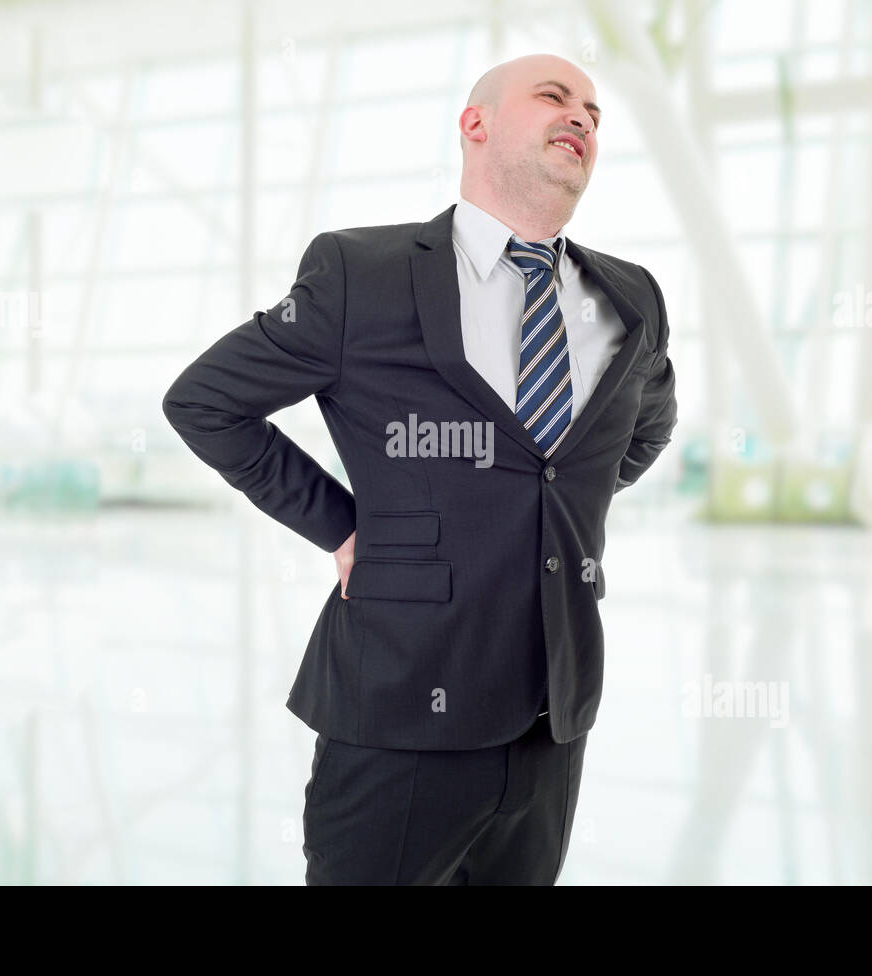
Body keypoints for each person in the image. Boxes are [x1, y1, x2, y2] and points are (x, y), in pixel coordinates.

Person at [162, 52, 677, 884]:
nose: (580, 115)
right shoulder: (360, 276)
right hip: (398, 715)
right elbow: (204, 403)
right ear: (476, 124)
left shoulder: (631, 297)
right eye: (554, 97)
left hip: (554, 721)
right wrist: (340, 524)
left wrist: (554, 515)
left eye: (592, 110)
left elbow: (639, 434)